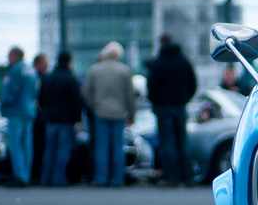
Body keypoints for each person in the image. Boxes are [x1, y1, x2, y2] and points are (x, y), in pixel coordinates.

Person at [146, 33, 198, 187]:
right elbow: (193, 83)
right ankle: (187, 176)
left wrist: (156, 102)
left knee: (167, 143)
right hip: (180, 106)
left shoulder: (159, 63)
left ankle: (171, 177)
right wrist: (184, 99)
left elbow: (151, 87)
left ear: (161, 44)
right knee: (182, 141)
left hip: (163, 108)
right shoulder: (183, 61)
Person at [81, 41, 135, 186]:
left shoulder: (94, 70)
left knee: (101, 148)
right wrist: (131, 113)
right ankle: (117, 179)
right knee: (118, 147)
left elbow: (86, 93)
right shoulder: (124, 70)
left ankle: (101, 178)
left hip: (101, 112)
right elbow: (130, 95)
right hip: (119, 113)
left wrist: (95, 107)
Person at [38, 51, 84, 185]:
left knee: (49, 150)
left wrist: (47, 113)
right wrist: (77, 119)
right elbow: (76, 101)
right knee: (63, 150)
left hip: (51, 119)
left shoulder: (48, 78)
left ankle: (45, 178)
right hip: (66, 120)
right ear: (69, 62)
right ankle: (59, 178)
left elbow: (41, 99)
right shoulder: (71, 79)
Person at [0, 46, 38, 187]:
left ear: (15, 56)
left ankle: (19, 176)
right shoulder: (31, 70)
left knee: (15, 143)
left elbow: (11, 91)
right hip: (29, 110)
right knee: (27, 145)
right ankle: (26, 175)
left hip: (16, 111)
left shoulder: (15, 71)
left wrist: (3, 105)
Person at [30, 52, 49, 182]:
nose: (46, 67)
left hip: (39, 117)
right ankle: (35, 173)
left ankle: (36, 173)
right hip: (37, 117)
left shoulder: (42, 77)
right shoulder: (35, 78)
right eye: (44, 64)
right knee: (36, 145)